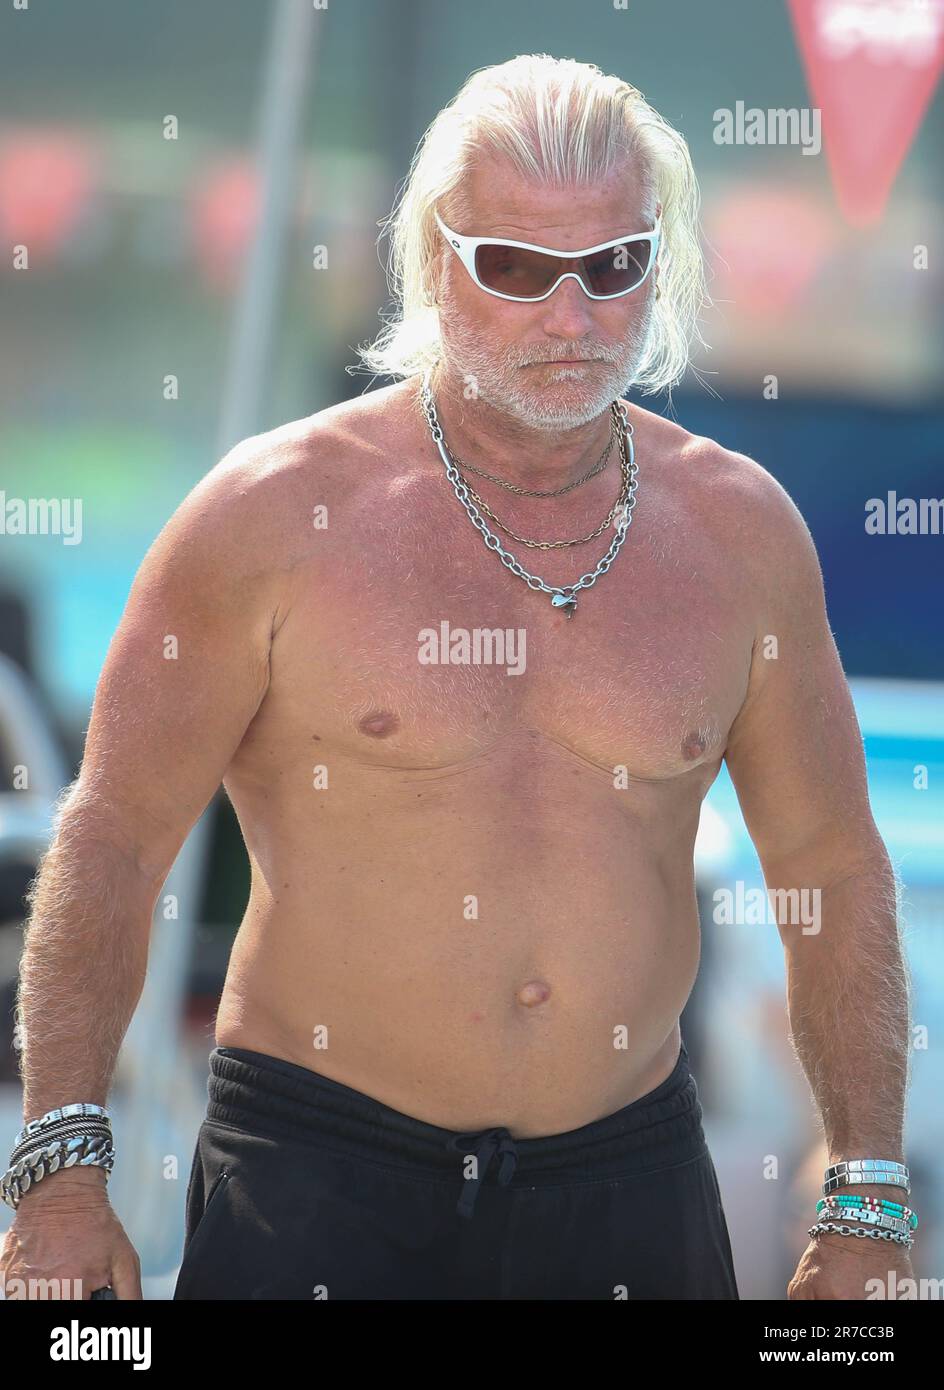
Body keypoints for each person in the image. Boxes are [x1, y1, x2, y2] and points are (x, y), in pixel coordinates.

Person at [1, 55, 911, 1301]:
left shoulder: (738, 536)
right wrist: (58, 1165)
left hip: (623, 1182)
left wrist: (864, 1189)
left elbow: (829, 863)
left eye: (613, 266)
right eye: (517, 268)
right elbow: (110, 837)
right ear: (434, 262)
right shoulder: (272, 517)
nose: (571, 314)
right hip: (324, 1173)